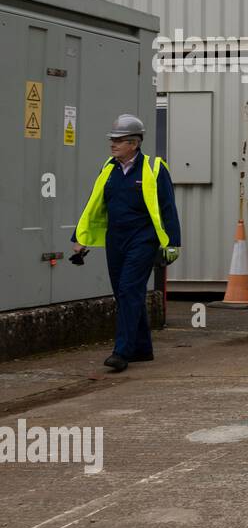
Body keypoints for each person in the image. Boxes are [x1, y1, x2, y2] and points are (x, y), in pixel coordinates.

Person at [70, 114, 182, 372]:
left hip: (143, 239)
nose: (113, 145)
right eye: (112, 140)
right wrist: (80, 237)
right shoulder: (109, 168)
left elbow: (168, 208)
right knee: (125, 294)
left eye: (118, 141)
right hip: (116, 239)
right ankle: (142, 348)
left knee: (130, 289)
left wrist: (174, 243)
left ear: (134, 143)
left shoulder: (154, 168)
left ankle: (122, 352)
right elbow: (94, 204)